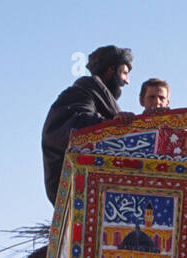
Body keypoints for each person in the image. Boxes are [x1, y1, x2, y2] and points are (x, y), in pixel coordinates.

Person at [41, 44, 136, 204]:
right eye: (124, 73)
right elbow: (72, 127)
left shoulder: (96, 97)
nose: (127, 81)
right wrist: (113, 126)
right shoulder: (79, 93)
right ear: (110, 71)